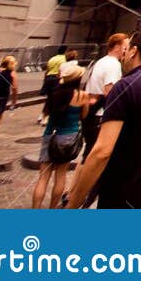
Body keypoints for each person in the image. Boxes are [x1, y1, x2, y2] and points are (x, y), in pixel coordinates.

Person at [69, 23, 141, 209]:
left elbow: (102, 152)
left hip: (124, 196)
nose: (124, 52)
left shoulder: (125, 87)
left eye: (127, 47)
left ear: (133, 51)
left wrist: (75, 201)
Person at [32, 60, 86, 209]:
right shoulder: (81, 96)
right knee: (60, 176)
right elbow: (84, 115)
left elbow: (47, 113)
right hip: (69, 135)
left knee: (43, 178)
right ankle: (52, 209)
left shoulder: (54, 94)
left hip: (50, 134)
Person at [81, 32, 128, 163]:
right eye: (126, 47)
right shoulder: (113, 64)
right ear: (117, 47)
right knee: (98, 156)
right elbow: (110, 92)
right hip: (101, 115)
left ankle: (82, 181)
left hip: (92, 113)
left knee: (89, 154)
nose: (127, 50)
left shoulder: (102, 61)